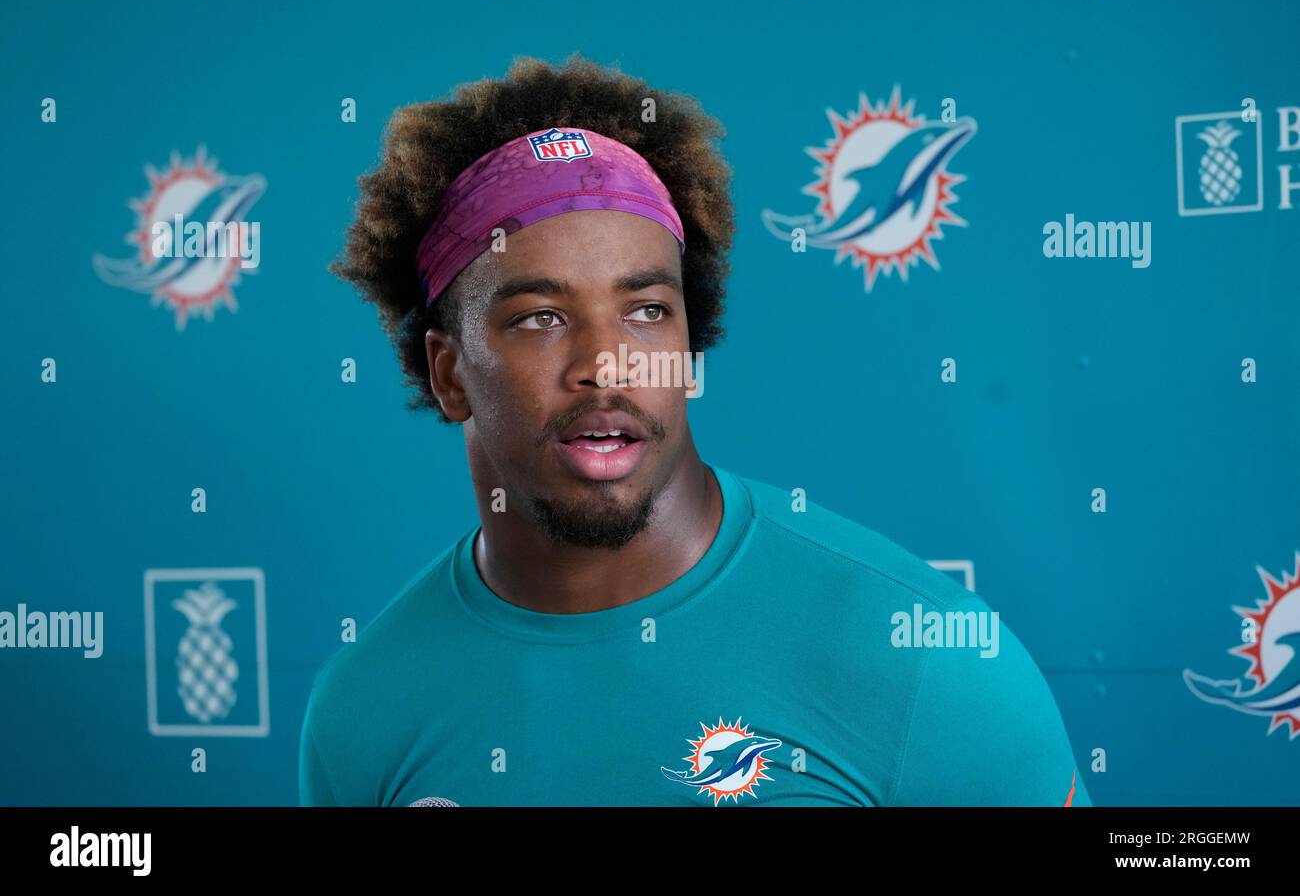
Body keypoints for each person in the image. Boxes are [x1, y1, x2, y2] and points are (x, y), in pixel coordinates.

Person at [300, 54, 1090, 807]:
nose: (607, 366)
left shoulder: (921, 659)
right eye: (540, 318)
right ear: (449, 374)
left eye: (646, 311)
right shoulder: (364, 710)